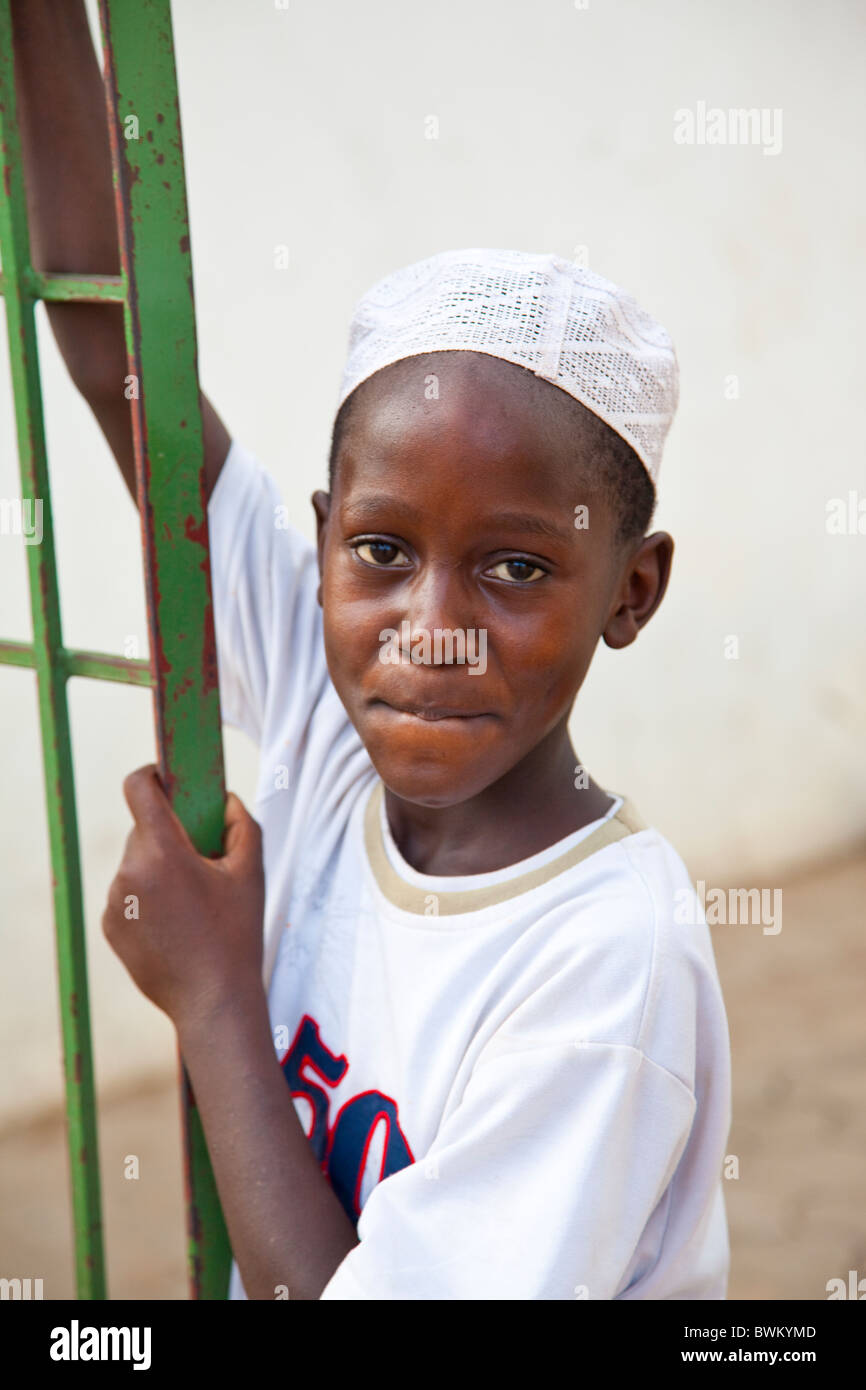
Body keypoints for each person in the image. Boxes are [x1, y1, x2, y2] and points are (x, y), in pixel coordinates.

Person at [12, 2, 731, 1301]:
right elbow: (107, 336)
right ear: (325, 541)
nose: (432, 627)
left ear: (631, 591)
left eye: (515, 566)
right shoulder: (331, 717)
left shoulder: (603, 958)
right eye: (384, 551)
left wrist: (218, 1003)